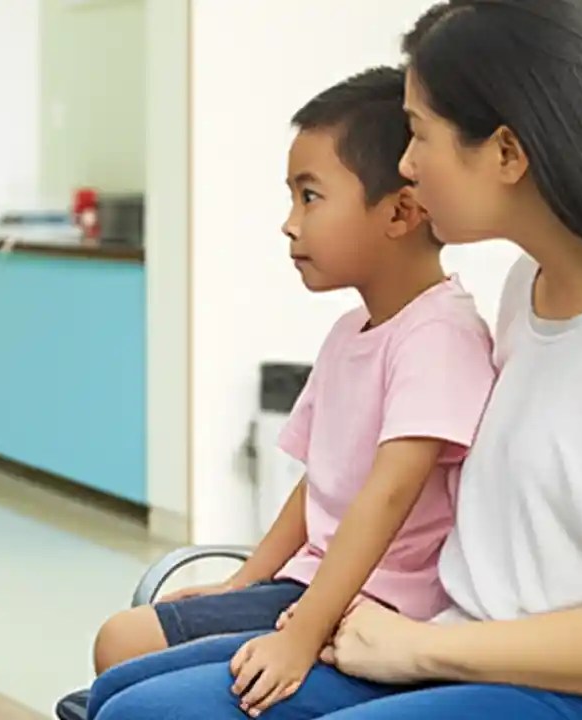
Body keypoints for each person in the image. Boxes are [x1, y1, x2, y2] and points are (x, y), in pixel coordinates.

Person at [84, 1, 582, 718]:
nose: (406, 165)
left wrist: (422, 649)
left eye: (419, 133)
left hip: (568, 691)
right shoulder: (528, 288)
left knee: (147, 713)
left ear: (507, 153)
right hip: (457, 649)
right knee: (119, 695)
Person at [88, 65, 497, 714]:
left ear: (400, 211)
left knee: (123, 647)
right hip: (306, 587)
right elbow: (318, 484)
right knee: (120, 653)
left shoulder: (440, 334)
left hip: (374, 608)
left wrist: (303, 634)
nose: (289, 223)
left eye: (310, 197)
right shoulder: (350, 331)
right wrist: (242, 582)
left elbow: (389, 495)